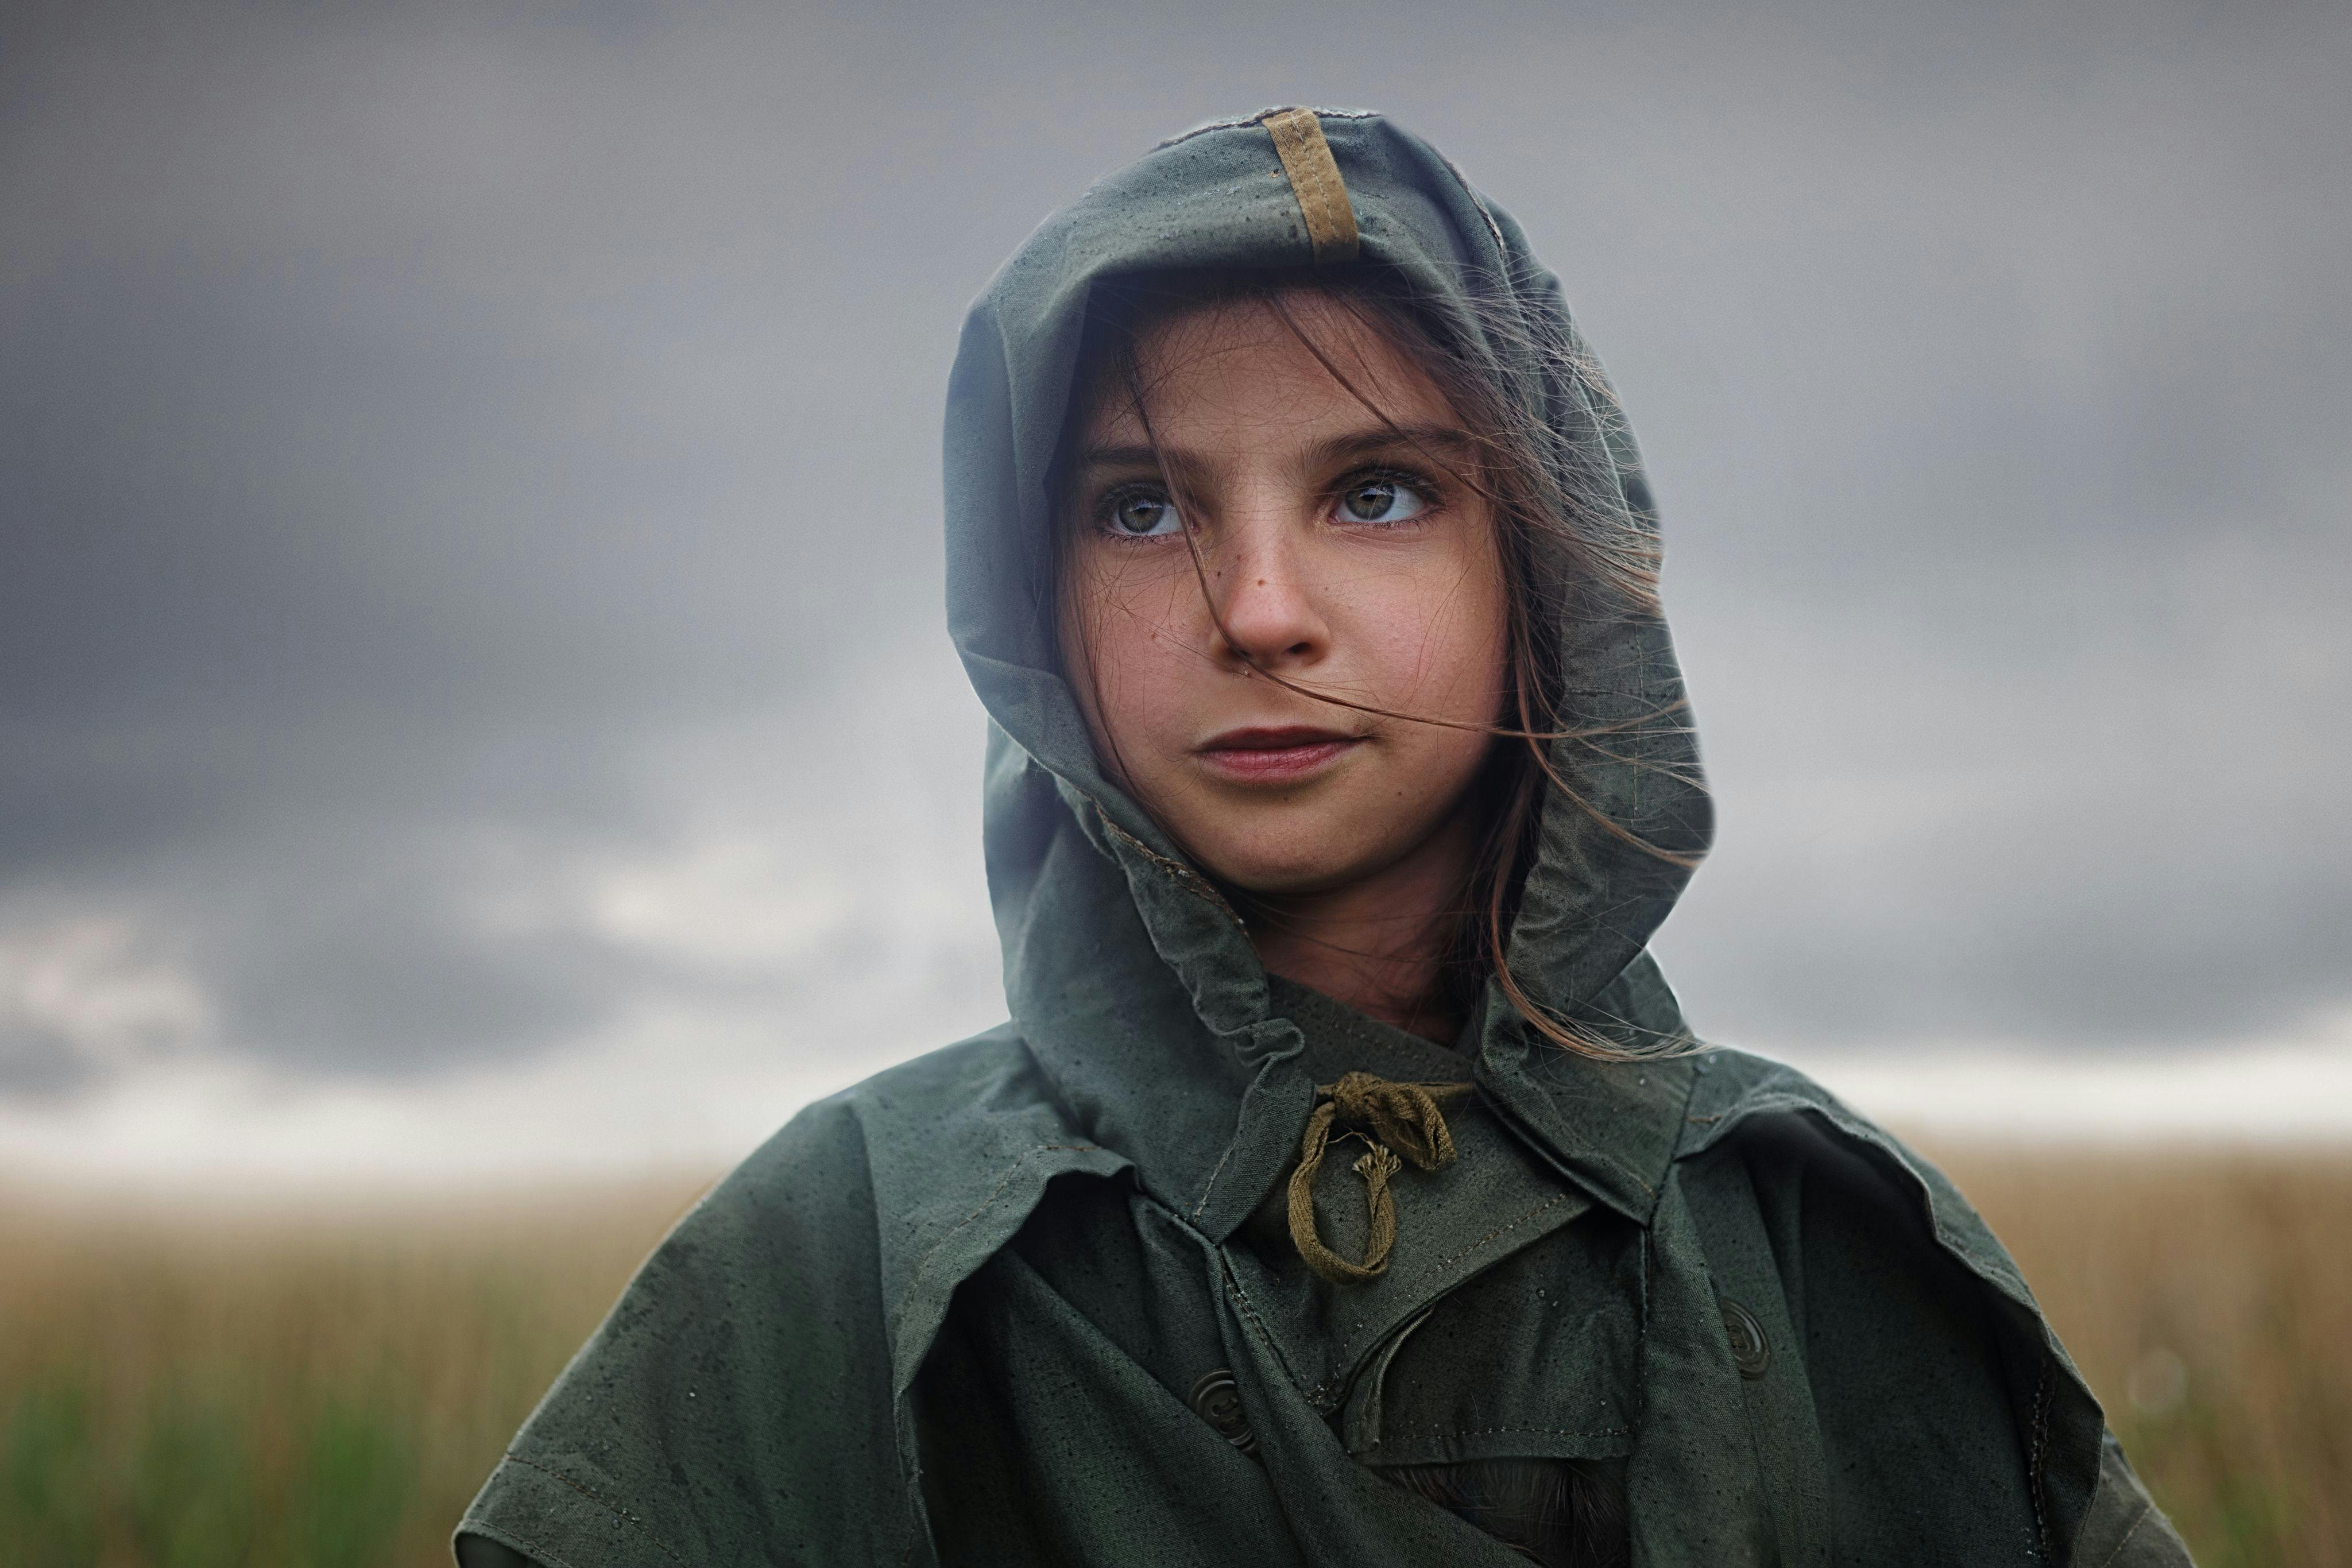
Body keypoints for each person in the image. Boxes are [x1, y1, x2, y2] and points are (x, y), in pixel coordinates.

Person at [454, 107, 2191, 1567]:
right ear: (1029, 603)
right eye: (1143, 507)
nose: (1262, 609)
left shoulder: (1814, 1228)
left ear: (1547, 568)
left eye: (1378, 491)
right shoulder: (853, 1245)